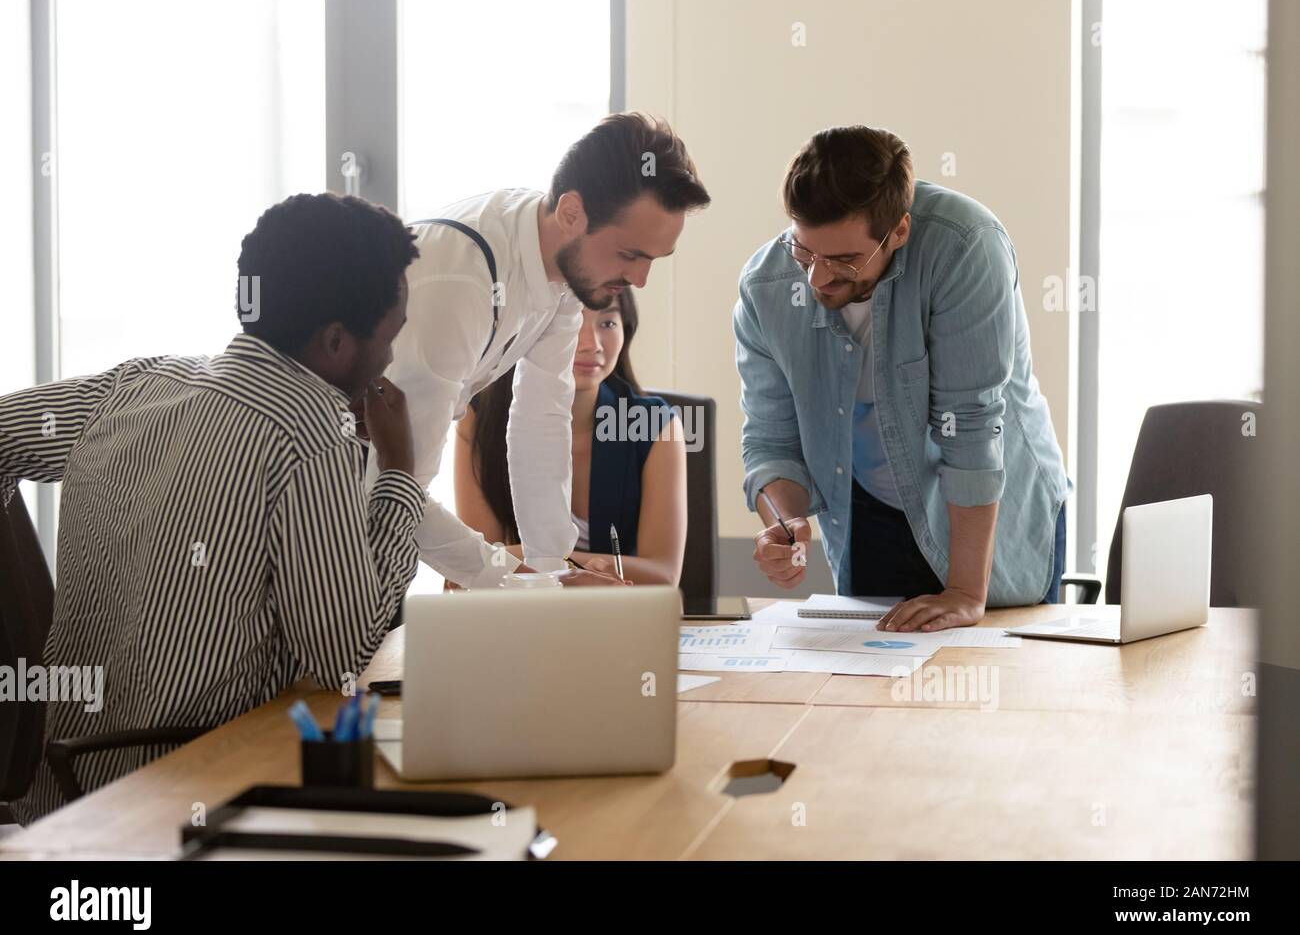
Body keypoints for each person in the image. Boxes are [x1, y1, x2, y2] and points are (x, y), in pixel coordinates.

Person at [0, 192, 423, 821]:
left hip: (59, 803)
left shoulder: (139, 383)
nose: (392, 357)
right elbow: (342, 649)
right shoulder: (307, 429)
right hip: (191, 804)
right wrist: (399, 475)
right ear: (336, 340)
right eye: (391, 335)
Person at [735, 126, 1070, 632]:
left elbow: (971, 427)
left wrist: (963, 591)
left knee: (998, 688)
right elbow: (770, 439)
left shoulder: (965, 248)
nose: (818, 279)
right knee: (873, 692)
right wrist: (786, 522)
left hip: (988, 519)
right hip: (869, 514)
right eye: (805, 253)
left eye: (845, 260)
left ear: (900, 231)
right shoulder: (766, 286)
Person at [371, 112, 709, 588]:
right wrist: (526, 583)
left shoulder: (564, 267)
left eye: (652, 260)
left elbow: (541, 420)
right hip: (314, 495)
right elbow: (399, 486)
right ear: (572, 213)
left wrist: (550, 573)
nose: (639, 280)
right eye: (630, 255)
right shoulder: (459, 283)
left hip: (372, 505)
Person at [454, 288, 687, 585]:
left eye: (608, 323)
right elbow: (478, 568)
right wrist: (582, 565)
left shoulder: (656, 424)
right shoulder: (478, 418)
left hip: (619, 617)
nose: (591, 344)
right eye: (573, 321)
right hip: (521, 616)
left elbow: (664, 576)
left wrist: (536, 558)